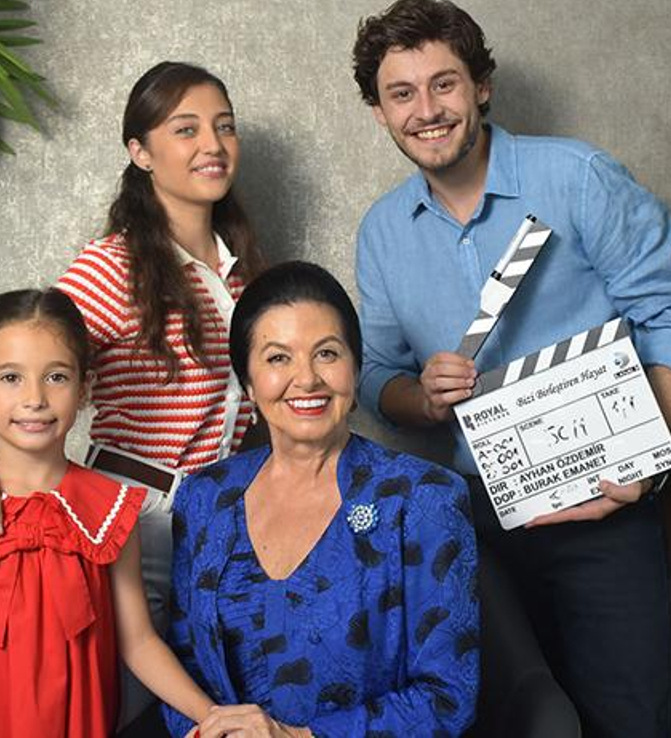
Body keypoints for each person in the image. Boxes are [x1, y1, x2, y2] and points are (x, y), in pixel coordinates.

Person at [352, 0, 671, 738]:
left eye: (444, 83)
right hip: (480, 527)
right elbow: (377, 374)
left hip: (605, 509)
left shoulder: (576, 177)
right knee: (516, 722)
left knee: (629, 721)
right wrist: (424, 398)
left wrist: (645, 463)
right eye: (401, 94)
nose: (427, 110)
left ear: (481, 86)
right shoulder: (383, 232)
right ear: (379, 113)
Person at [0, 62, 266, 726]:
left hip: (221, 525)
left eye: (224, 127)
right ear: (140, 152)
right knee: (100, 708)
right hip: (134, 518)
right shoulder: (112, 266)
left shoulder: (240, 269)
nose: (212, 144)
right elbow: (28, 370)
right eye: (186, 129)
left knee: (208, 707)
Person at [165, 261, 480, 737]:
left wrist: (295, 737)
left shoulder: (424, 499)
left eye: (327, 353)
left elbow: (447, 698)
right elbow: (183, 665)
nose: (307, 379)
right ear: (248, 383)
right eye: (278, 358)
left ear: (356, 369)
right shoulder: (204, 498)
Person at [0, 289, 216, 737]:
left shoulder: (110, 511)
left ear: (85, 389)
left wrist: (212, 715)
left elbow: (138, 642)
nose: (34, 398)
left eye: (56, 377)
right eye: (11, 378)